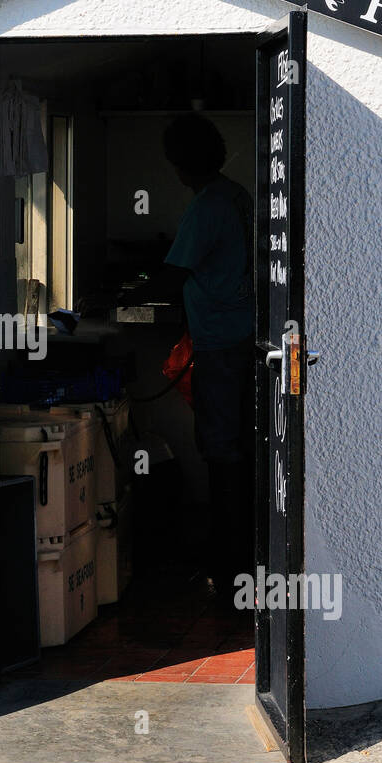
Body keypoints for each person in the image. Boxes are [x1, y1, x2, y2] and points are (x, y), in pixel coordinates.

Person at [158, 114, 255, 592]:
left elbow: (174, 271)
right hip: (241, 333)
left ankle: (227, 565)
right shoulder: (235, 194)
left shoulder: (207, 205)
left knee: (221, 452)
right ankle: (238, 558)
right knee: (237, 448)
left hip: (218, 341)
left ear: (180, 164)